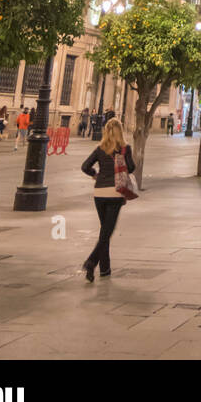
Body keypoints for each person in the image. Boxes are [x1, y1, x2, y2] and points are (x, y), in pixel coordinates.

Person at [80, 117, 136, 282]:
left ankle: (105, 269)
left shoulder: (100, 149)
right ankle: (91, 262)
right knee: (106, 233)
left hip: (99, 194)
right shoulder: (125, 149)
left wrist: (95, 175)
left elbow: (85, 166)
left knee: (104, 230)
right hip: (115, 193)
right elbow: (132, 168)